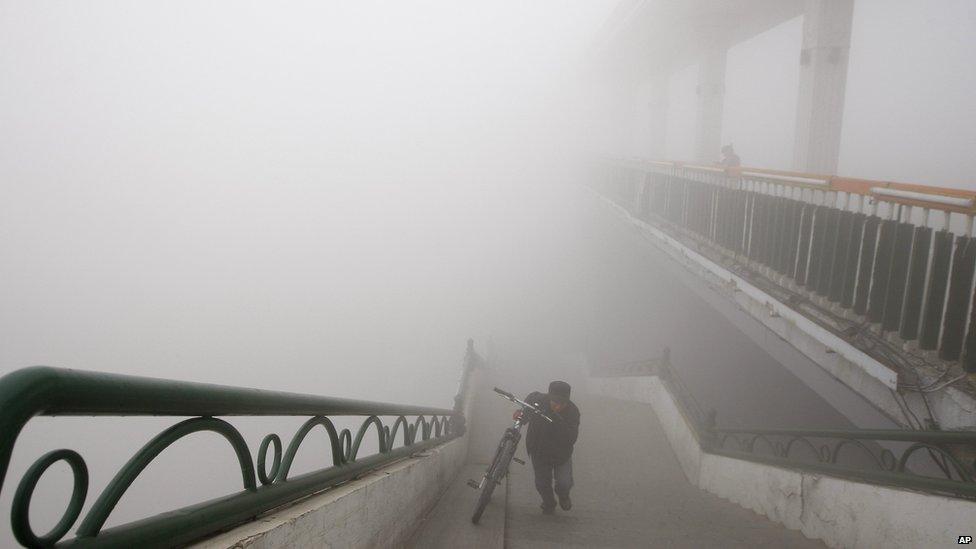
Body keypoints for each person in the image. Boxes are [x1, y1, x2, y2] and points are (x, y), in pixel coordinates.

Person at [523, 380, 580, 514]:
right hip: (539, 450)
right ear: (549, 398)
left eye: (562, 404)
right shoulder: (539, 400)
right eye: (555, 402)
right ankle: (549, 502)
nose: (558, 406)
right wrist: (523, 414)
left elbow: (572, 438)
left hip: (561, 454)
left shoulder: (573, 412)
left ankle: (563, 495)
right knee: (542, 483)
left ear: (567, 402)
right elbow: (529, 401)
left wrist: (557, 420)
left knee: (564, 483)